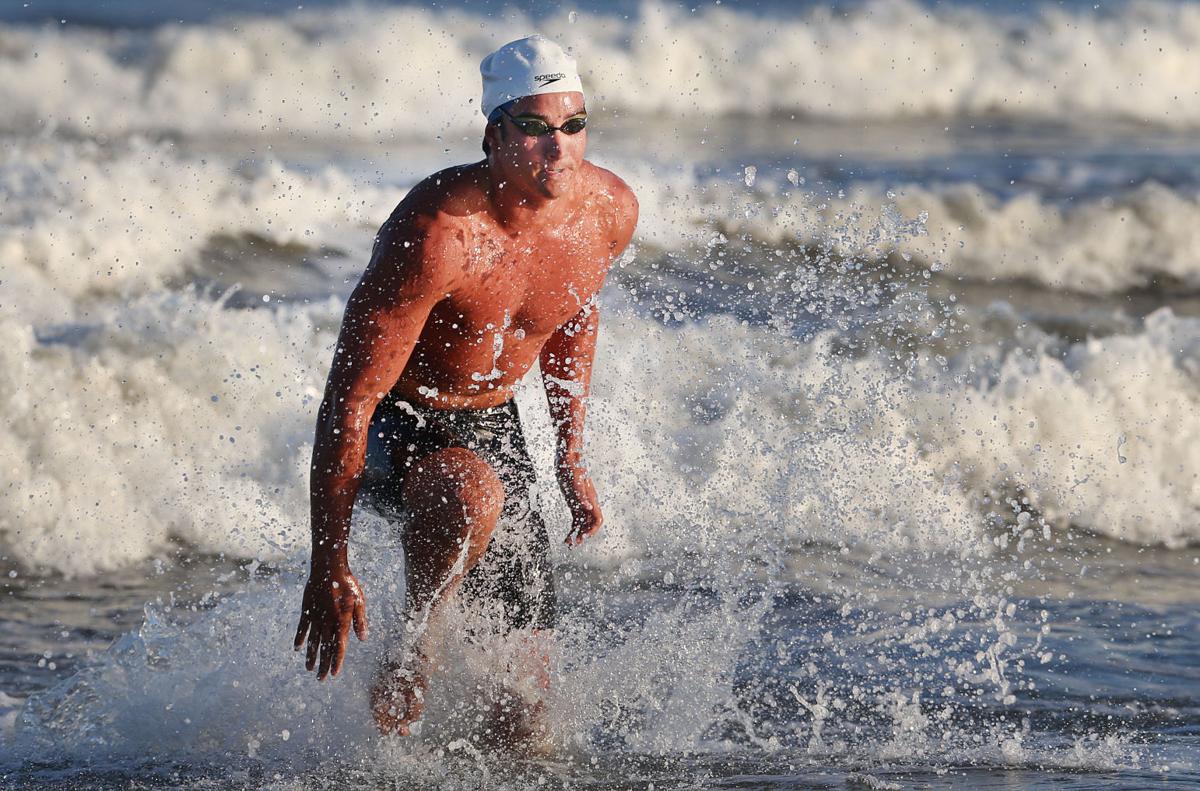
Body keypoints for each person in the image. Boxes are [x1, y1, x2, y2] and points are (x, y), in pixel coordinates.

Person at [291, 35, 638, 741]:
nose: (560, 148)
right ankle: (416, 641)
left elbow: (572, 313)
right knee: (473, 493)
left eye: (574, 126)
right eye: (538, 129)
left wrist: (569, 458)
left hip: (494, 421)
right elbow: (350, 401)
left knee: (522, 723)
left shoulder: (607, 212)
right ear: (495, 133)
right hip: (401, 419)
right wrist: (329, 559)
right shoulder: (439, 231)